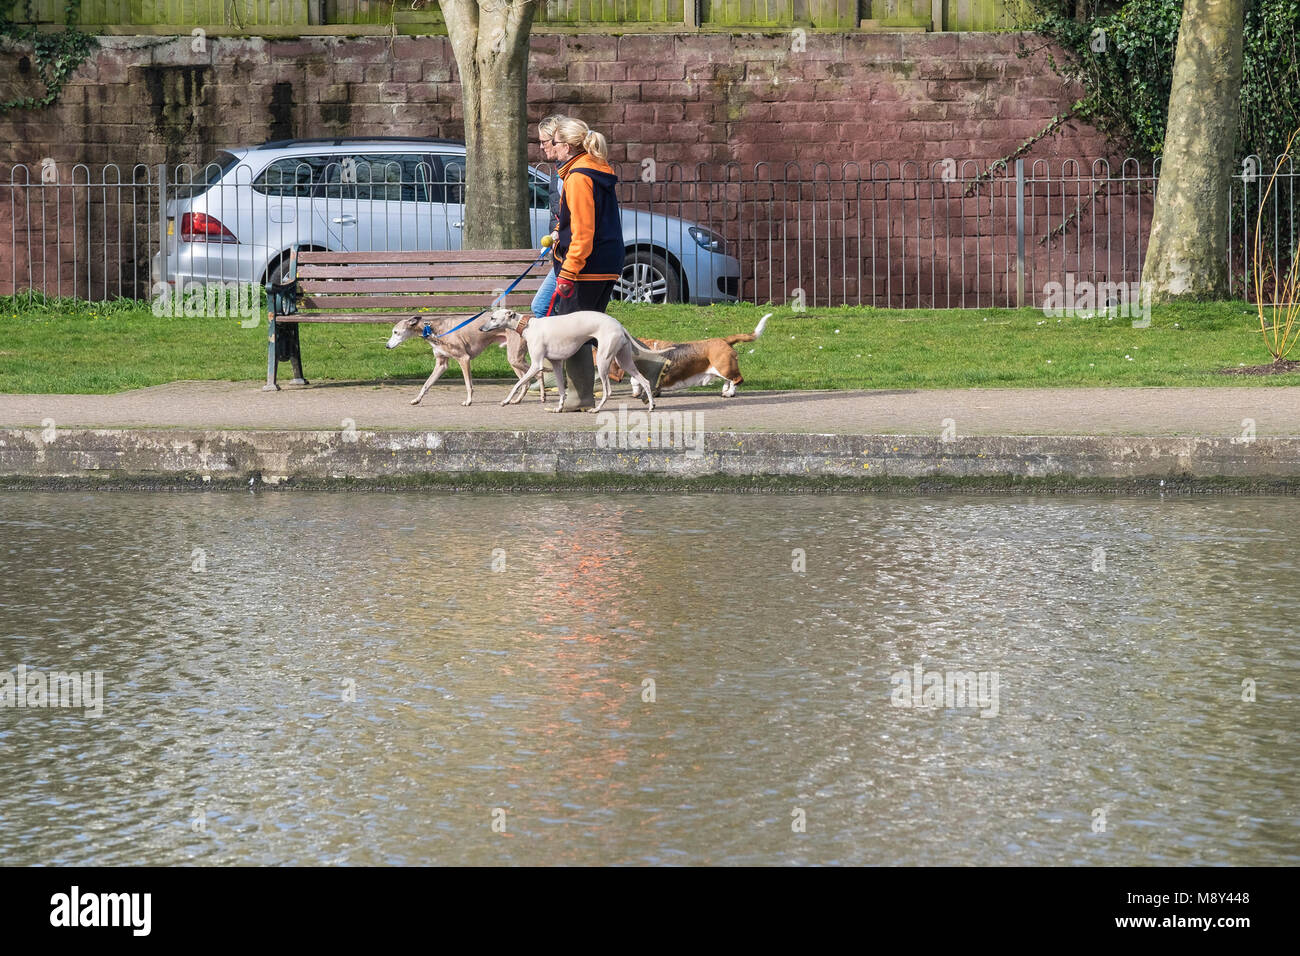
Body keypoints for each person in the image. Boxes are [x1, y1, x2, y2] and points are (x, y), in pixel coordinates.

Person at [545, 116, 668, 410]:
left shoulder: (577, 177)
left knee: (570, 329)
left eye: (555, 142)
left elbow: (583, 232)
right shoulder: (596, 169)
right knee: (597, 327)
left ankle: (579, 396)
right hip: (606, 259)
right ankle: (651, 366)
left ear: (569, 145)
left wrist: (569, 270)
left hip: (587, 264)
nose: (552, 147)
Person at [531, 114, 566, 320]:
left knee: (541, 307)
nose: (542, 147)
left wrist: (557, 233)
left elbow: (572, 216)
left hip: (570, 258)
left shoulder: (568, 173)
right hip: (562, 253)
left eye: (544, 141)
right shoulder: (558, 169)